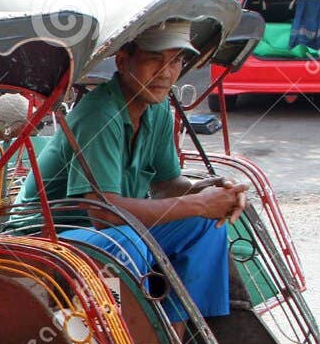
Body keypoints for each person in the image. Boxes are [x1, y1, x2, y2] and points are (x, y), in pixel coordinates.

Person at [19, 20, 249, 325]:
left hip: (106, 231)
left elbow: (166, 184)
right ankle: (121, 341)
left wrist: (210, 192)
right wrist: (199, 203)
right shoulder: (100, 114)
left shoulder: (157, 110)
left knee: (205, 226)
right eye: (154, 59)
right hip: (47, 237)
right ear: (123, 61)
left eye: (177, 61)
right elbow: (104, 216)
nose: (166, 73)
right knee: (125, 240)